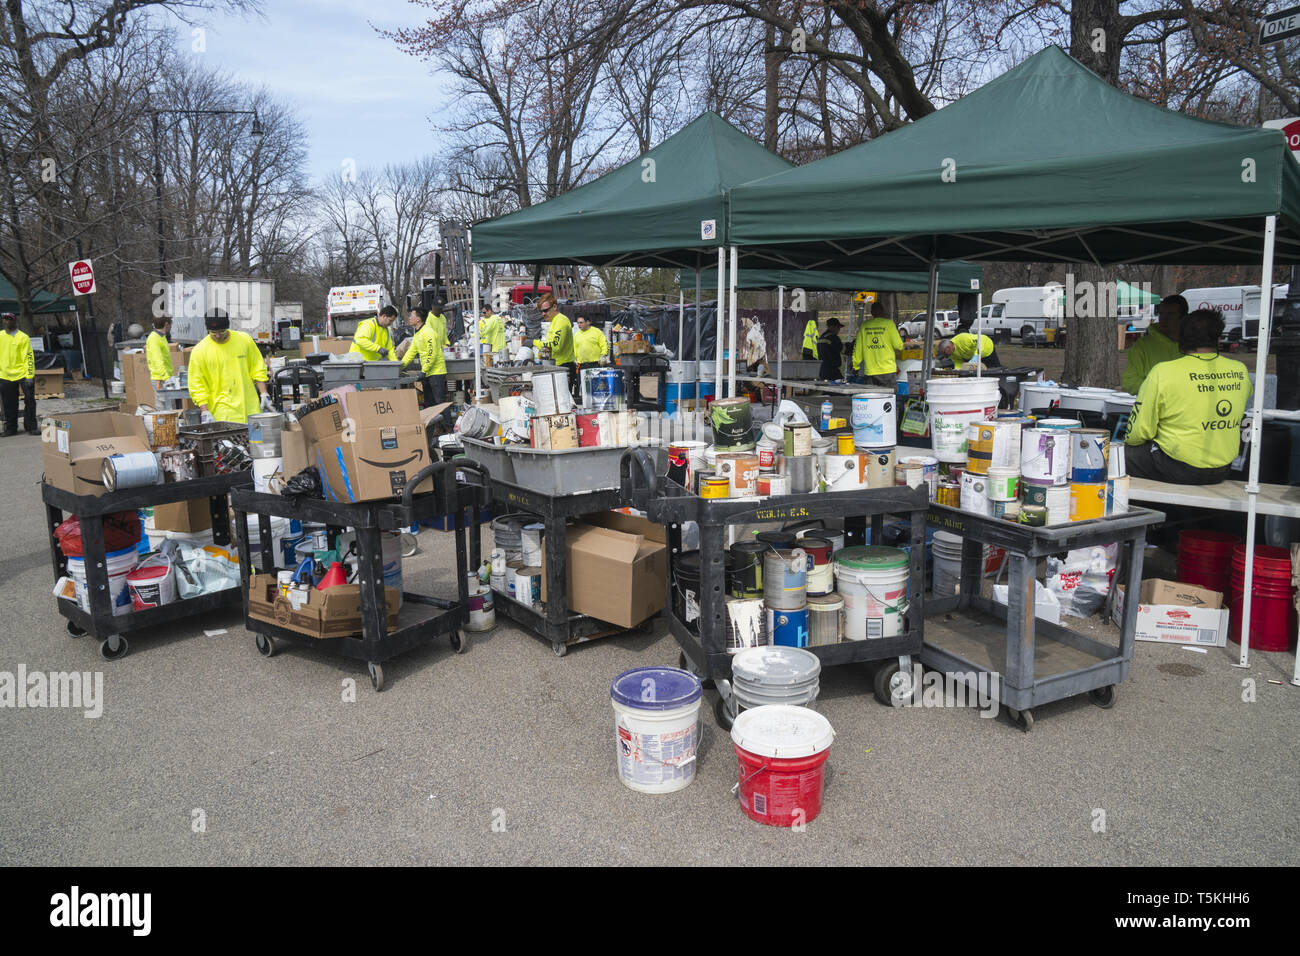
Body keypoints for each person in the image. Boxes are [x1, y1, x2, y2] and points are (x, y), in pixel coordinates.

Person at [1125, 309, 1250, 485]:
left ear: (1180, 338)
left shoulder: (1163, 372)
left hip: (1179, 466)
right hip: (1223, 467)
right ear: (1218, 338)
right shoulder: (1240, 370)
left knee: (1119, 456)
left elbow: (1138, 432)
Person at [187, 309, 271, 424]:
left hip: (250, 408)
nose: (217, 335)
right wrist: (204, 411)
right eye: (213, 332)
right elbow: (197, 384)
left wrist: (264, 393)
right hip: (221, 414)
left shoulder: (244, 340)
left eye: (222, 331)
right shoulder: (199, 351)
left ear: (228, 327)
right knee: (228, 442)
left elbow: (257, 368)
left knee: (255, 442)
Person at [1122, 294, 1188, 395]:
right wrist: (1162, 391)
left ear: (1183, 317)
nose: (1164, 318)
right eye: (1161, 313)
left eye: (1170, 314)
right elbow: (1130, 382)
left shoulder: (1194, 344)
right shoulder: (1142, 346)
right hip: (1154, 407)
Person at [401, 304, 450, 408]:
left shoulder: (428, 332)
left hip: (436, 372)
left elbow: (431, 354)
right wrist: (400, 366)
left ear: (418, 319)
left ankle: (448, 424)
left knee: (439, 402)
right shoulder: (418, 334)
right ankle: (433, 424)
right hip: (427, 372)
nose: (409, 318)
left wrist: (424, 371)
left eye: (411, 315)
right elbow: (410, 352)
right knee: (429, 403)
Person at [0, 312, 37, 436]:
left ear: (15, 321)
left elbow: (29, 357)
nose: (7, 321)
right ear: (3, 321)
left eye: (10, 319)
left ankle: (31, 426)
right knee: (9, 403)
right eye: (5, 319)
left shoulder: (23, 337)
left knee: (30, 400)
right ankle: (11, 429)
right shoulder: (0, 336)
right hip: (5, 375)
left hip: (23, 373)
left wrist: (30, 376)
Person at [851, 302, 904, 388]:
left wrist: (855, 366)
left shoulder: (864, 326)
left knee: (872, 399)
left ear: (872, 312)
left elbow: (858, 349)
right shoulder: (889, 324)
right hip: (887, 371)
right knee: (889, 398)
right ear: (883, 312)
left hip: (871, 372)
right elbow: (898, 345)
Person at [146, 316, 173, 389]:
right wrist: (165, 377)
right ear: (166, 324)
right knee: (162, 400)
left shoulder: (161, 337)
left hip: (164, 377)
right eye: (171, 324)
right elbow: (157, 359)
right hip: (161, 379)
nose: (171, 326)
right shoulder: (154, 338)